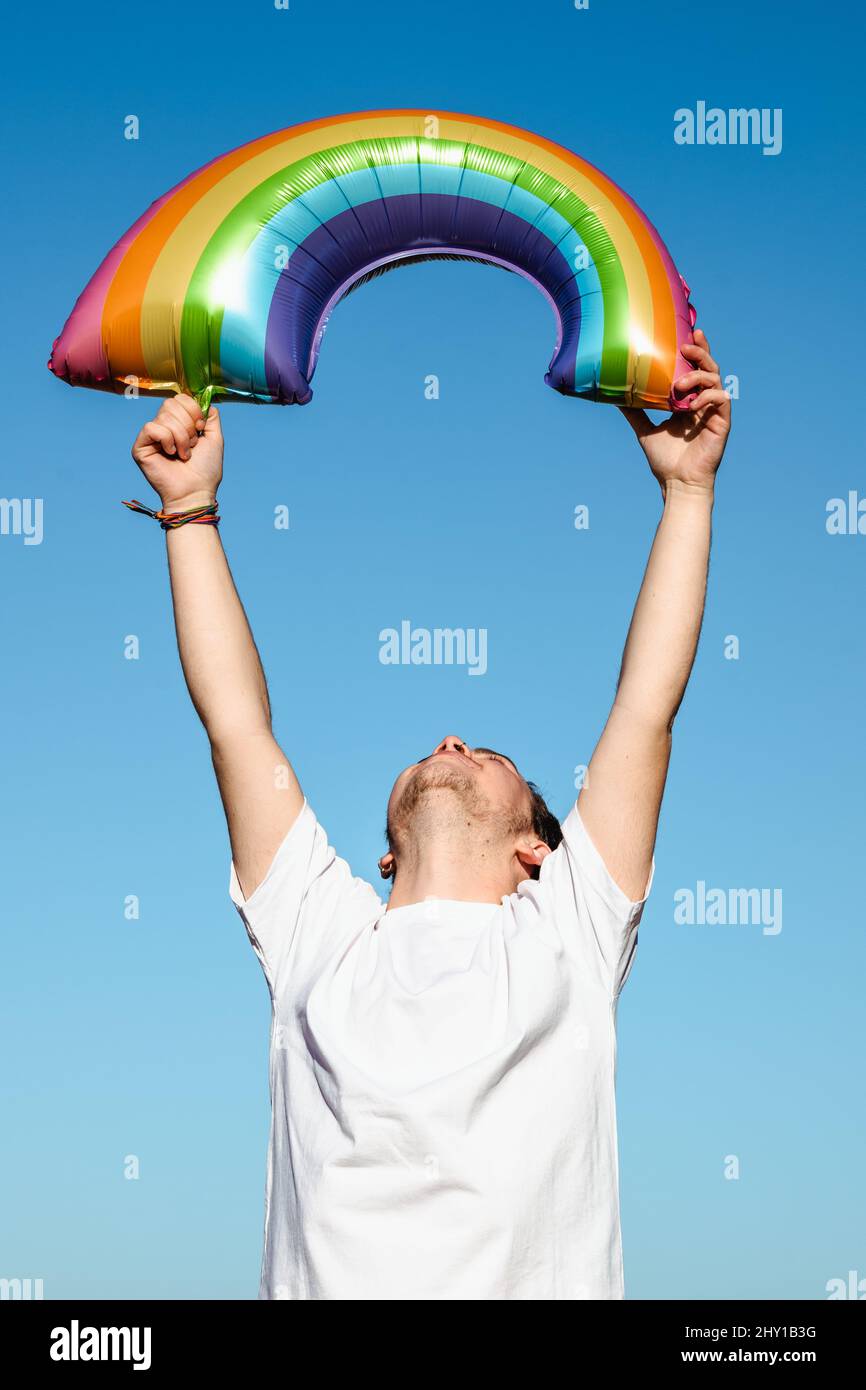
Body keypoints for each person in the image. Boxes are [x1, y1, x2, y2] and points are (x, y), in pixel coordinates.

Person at [129, 329, 731, 1300]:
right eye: (448, 747)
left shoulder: (566, 932)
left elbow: (642, 707)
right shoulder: (319, 934)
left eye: (486, 754)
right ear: (382, 848)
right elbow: (236, 726)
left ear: (536, 847)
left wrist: (688, 494)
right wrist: (189, 511)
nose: (450, 740)